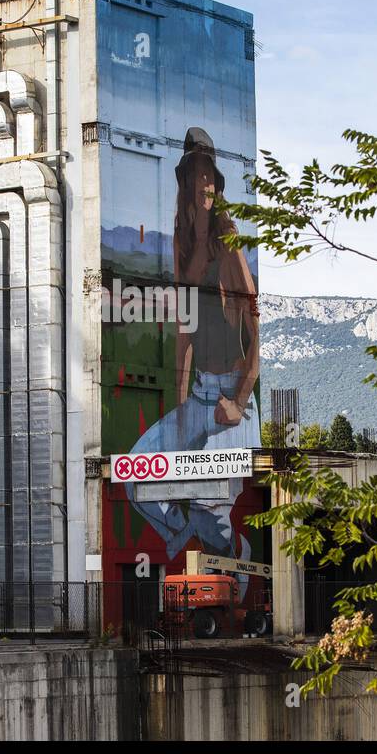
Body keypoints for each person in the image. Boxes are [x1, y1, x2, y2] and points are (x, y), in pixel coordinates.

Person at [125, 127, 260, 564]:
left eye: (210, 175)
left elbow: (256, 333)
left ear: (217, 185)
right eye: (196, 173)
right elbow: (185, 330)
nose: (204, 182)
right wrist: (180, 409)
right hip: (199, 397)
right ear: (186, 180)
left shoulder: (230, 243)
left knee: (207, 497)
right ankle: (185, 535)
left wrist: (239, 401)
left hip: (233, 402)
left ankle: (229, 551)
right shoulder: (182, 243)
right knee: (135, 475)